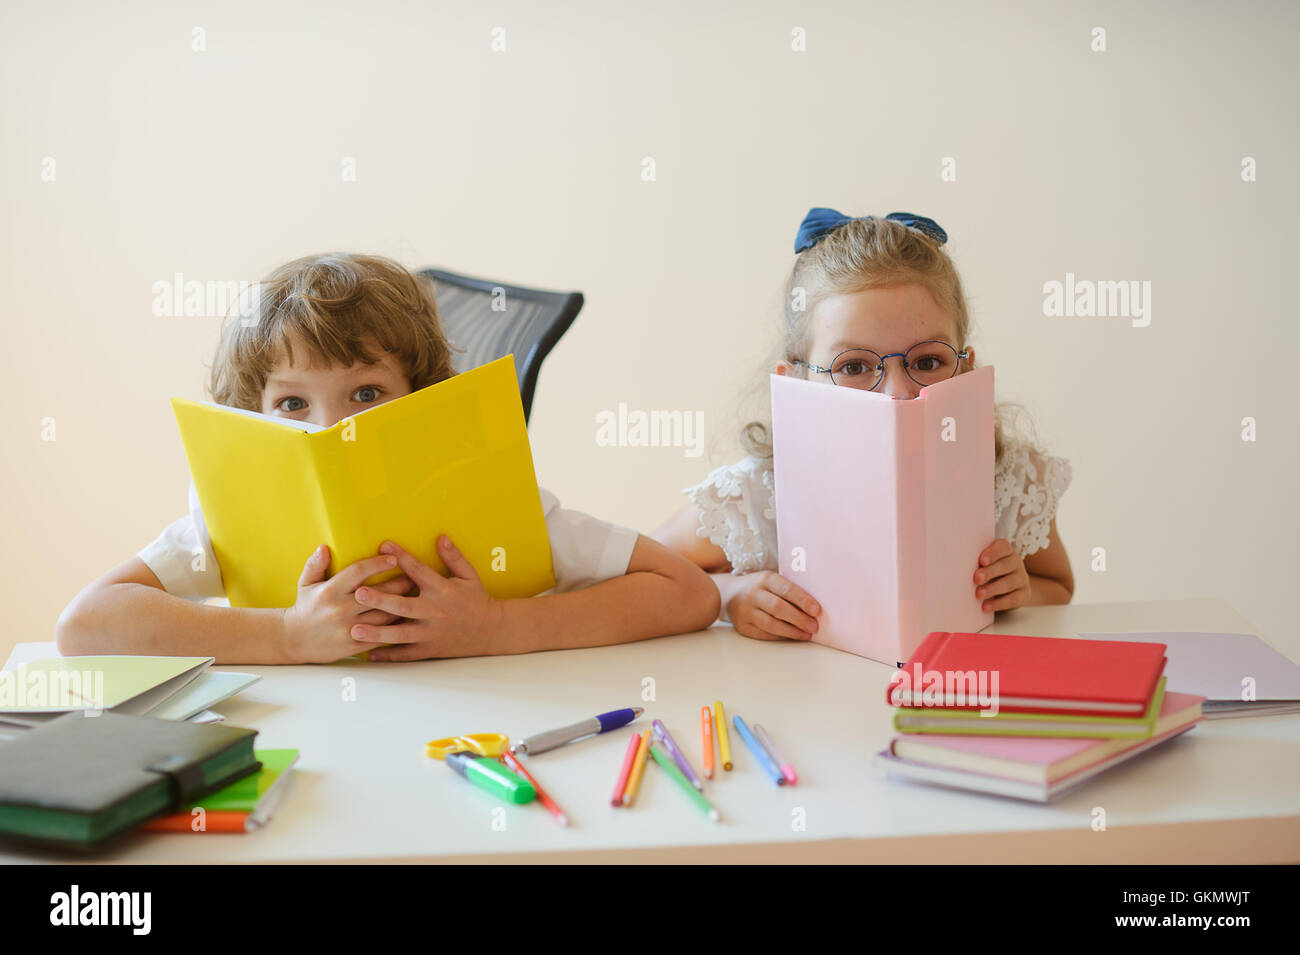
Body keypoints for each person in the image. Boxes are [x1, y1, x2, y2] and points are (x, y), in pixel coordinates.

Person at [57, 253, 719, 664]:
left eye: (365, 393)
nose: (332, 427)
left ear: (420, 401)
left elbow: (688, 592)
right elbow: (85, 624)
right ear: (252, 419)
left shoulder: (481, 498)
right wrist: (287, 635)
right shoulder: (231, 518)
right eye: (292, 403)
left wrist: (494, 628)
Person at [654, 209, 1074, 643]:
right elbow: (649, 574)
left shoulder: (1011, 482)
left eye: (928, 361)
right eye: (853, 365)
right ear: (794, 381)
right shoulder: (753, 496)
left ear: (965, 366)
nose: (897, 393)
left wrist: (1019, 591)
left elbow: (1058, 587)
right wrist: (730, 595)